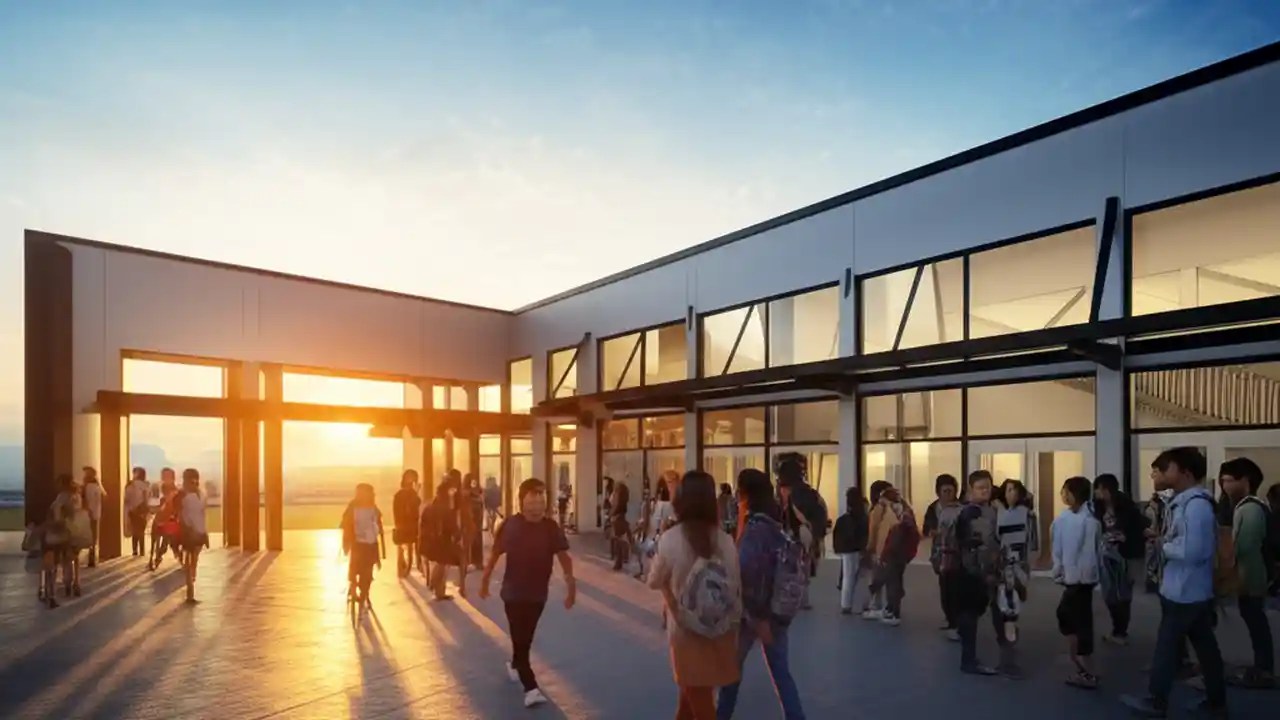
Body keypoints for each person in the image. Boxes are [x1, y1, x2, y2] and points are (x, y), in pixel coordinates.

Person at [1123, 447, 1228, 719]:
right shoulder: (1185, 503)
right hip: (1188, 590)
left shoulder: (1196, 507)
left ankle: (1157, 700)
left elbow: (1195, 551)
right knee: (1205, 647)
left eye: (1168, 468)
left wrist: (1162, 545)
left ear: (1186, 473)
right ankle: (1216, 701)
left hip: (1185, 591)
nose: (1162, 472)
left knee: (1167, 647)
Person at [647, 470, 741, 720]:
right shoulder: (725, 540)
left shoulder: (670, 539)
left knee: (697, 698)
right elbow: (735, 583)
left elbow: (653, 580)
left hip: (684, 629)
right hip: (720, 627)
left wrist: (670, 596)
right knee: (694, 693)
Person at [480, 478, 576, 710]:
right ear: (521, 502)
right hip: (512, 594)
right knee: (521, 639)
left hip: (537, 595)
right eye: (532, 501)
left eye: (541, 500)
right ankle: (530, 688)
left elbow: (564, 558)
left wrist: (571, 587)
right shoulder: (510, 525)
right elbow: (495, 555)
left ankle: (515, 663)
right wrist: (484, 581)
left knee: (525, 638)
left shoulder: (551, 528)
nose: (536, 506)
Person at [717, 468, 805, 720]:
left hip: (753, 614)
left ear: (745, 494)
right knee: (781, 673)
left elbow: (748, 573)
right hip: (776, 613)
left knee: (731, 672)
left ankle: (721, 715)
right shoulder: (777, 524)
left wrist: (758, 617)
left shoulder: (756, 530)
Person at [1218, 458, 1275, 688]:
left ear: (1246, 481)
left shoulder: (1250, 508)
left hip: (1251, 577)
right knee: (1255, 620)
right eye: (1222, 481)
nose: (1224, 486)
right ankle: (1263, 668)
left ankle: (1264, 669)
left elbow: (1246, 548)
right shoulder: (1244, 507)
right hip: (1249, 576)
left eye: (1229, 480)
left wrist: (1237, 578)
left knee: (1256, 621)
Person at [949, 470, 1001, 676]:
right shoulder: (965, 513)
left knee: (977, 611)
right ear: (971, 490)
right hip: (968, 572)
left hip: (986, 570)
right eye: (980, 488)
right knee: (969, 615)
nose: (985, 491)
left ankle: (970, 656)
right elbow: (958, 541)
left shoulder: (991, 511)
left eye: (987, 487)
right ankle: (968, 660)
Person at [1052, 476, 1102, 689]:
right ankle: (1080, 659)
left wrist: (1062, 572)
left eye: (1065, 490)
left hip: (1078, 579)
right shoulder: (1076, 518)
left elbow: (1070, 551)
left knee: (1072, 617)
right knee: (1074, 617)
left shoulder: (1080, 521)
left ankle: (1085, 667)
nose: (1062, 494)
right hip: (1082, 578)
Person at [1094, 473, 1148, 646]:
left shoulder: (1126, 506)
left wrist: (1126, 537)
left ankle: (1120, 631)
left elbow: (1139, 527)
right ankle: (1118, 629)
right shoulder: (1097, 507)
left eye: (1098, 488)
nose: (1096, 492)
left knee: (1123, 593)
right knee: (1109, 593)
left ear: (1106, 489)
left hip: (1126, 555)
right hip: (1106, 554)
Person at [991, 479, 1036, 677]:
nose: (1011, 493)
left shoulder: (1021, 514)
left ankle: (1008, 660)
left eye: (1014, 490)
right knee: (1007, 613)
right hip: (1005, 568)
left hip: (1014, 568)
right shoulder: (1018, 513)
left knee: (1009, 613)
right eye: (1008, 490)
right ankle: (1008, 656)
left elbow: (1033, 543)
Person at [865, 485, 918, 627]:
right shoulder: (905, 510)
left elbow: (878, 530)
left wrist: (873, 549)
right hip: (901, 552)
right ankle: (891, 608)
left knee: (886, 579)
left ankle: (891, 611)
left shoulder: (887, 511)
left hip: (889, 551)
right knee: (894, 579)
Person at [925, 474, 963, 640]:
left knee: (956, 588)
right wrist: (934, 532)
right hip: (940, 553)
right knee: (945, 587)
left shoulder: (961, 508)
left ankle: (956, 622)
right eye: (944, 491)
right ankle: (949, 618)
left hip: (958, 553)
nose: (948, 494)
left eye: (951, 490)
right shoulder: (933, 509)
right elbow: (926, 528)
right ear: (938, 492)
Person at [341, 481, 385, 609]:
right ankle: (356, 587)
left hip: (368, 544)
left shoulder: (372, 507)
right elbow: (346, 523)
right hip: (359, 543)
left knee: (365, 570)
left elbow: (378, 523)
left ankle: (363, 591)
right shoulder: (354, 507)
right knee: (357, 568)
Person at [420, 479, 461, 601]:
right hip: (442, 540)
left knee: (441, 564)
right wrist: (456, 533)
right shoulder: (444, 506)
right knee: (442, 564)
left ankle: (439, 590)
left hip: (434, 540)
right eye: (451, 491)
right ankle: (436, 586)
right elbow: (450, 523)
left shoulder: (431, 506)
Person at [832, 486, 869, 615]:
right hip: (858, 549)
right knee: (861, 577)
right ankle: (861, 605)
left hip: (846, 550)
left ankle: (846, 604)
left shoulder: (843, 519)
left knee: (847, 576)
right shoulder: (863, 516)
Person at [41, 474, 75, 608]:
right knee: (65, 562)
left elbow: (57, 515)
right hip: (65, 534)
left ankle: (51, 593)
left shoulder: (62, 498)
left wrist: (52, 524)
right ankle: (66, 585)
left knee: (53, 565)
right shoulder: (72, 497)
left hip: (57, 534)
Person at [177, 469, 211, 604]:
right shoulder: (181, 495)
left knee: (195, 560)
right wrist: (186, 528)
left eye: (195, 479)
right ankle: (189, 592)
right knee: (189, 559)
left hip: (200, 530)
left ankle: (192, 579)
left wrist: (205, 531)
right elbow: (179, 514)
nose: (193, 482)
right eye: (190, 479)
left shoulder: (202, 494)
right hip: (188, 531)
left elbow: (203, 513)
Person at [860, 480, 892, 617]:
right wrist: (870, 547)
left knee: (877, 578)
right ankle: (878, 606)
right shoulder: (880, 510)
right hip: (881, 549)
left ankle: (877, 606)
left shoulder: (879, 509)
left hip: (881, 549)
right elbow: (873, 531)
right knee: (879, 579)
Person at [638, 476, 676, 579]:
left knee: (648, 552)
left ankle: (648, 573)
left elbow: (656, 520)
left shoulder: (658, 504)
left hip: (656, 533)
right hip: (662, 533)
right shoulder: (669, 505)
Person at [64, 486, 93, 597]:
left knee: (68, 557)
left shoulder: (68, 498)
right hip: (79, 530)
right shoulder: (82, 505)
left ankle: (68, 581)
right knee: (75, 558)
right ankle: (76, 582)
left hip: (70, 528)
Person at [149, 468, 180, 571]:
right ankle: (155, 555)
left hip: (171, 517)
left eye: (167, 477)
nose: (165, 479)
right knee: (155, 532)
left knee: (169, 536)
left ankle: (161, 554)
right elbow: (161, 503)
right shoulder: (162, 488)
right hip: (161, 515)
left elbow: (174, 505)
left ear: (172, 478)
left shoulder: (175, 491)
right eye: (164, 476)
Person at [392, 470, 421, 579]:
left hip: (410, 522)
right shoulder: (401, 494)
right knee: (402, 546)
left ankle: (408, 567)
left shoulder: (411, 493)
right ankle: (403, 567)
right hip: (404, 522)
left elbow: (417, 505)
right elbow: (396, 509)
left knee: (409, 545)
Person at [124, 467, 150, 557]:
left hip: (134, 510)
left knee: (135, 531)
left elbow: (126, 499)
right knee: (140, 531)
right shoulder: (145, 485)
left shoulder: (130, 485)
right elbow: (147, 499)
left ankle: (135, 550)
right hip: (141, 510)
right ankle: (140, 551)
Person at [81, 466, 103, 568]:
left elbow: (84, 501)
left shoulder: (88, 487)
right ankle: (92, 557)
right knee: (93, 537)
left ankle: (91, 558)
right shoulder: (98, 487)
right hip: (96, 514)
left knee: (88, 537)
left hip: (88, 514)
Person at [610, 481, 632, 572]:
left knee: (617, 540)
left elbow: (614, 506)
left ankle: (618, 562)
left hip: (617, 518)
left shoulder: (617, 497)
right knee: (620, 539)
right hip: (621, 517)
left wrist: (610, 514)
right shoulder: (624, 498)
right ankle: (622, 558)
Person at [465, 474, 486, 569]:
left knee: (477, 542)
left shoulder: (479, 492)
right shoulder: (466, 494)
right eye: (472, 481)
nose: (474, 483)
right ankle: (469, 562)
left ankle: (478, 562)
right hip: (471, 521)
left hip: (478, 521)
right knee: (470, 542)